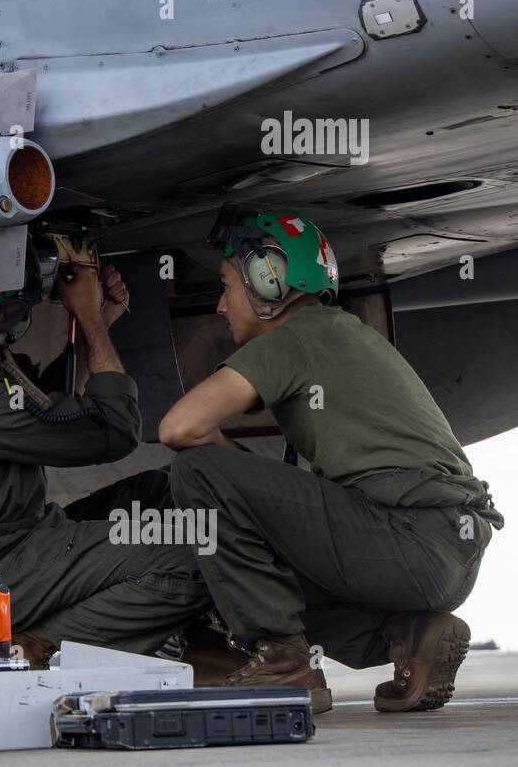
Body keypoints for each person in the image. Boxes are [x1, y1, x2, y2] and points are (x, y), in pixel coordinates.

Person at [159, 206, 502, 713]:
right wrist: (247, 494)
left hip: (406, 536)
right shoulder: (340, 332)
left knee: (194, 472)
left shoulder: (294, 337)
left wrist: (234, 484)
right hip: (443, 553)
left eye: (228, 285)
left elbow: (178, 428)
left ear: (268, 281)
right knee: (259, 574)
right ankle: (409, 635)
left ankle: (282, 665)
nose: (219, 305)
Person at [0, 257, 209, 667]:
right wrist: (89, 319)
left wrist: (98, 323)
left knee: (162, 491)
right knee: (197, 560)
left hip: (15, 539)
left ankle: (198, 637)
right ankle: (40, 644)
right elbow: (116, 429)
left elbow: (42, 404)